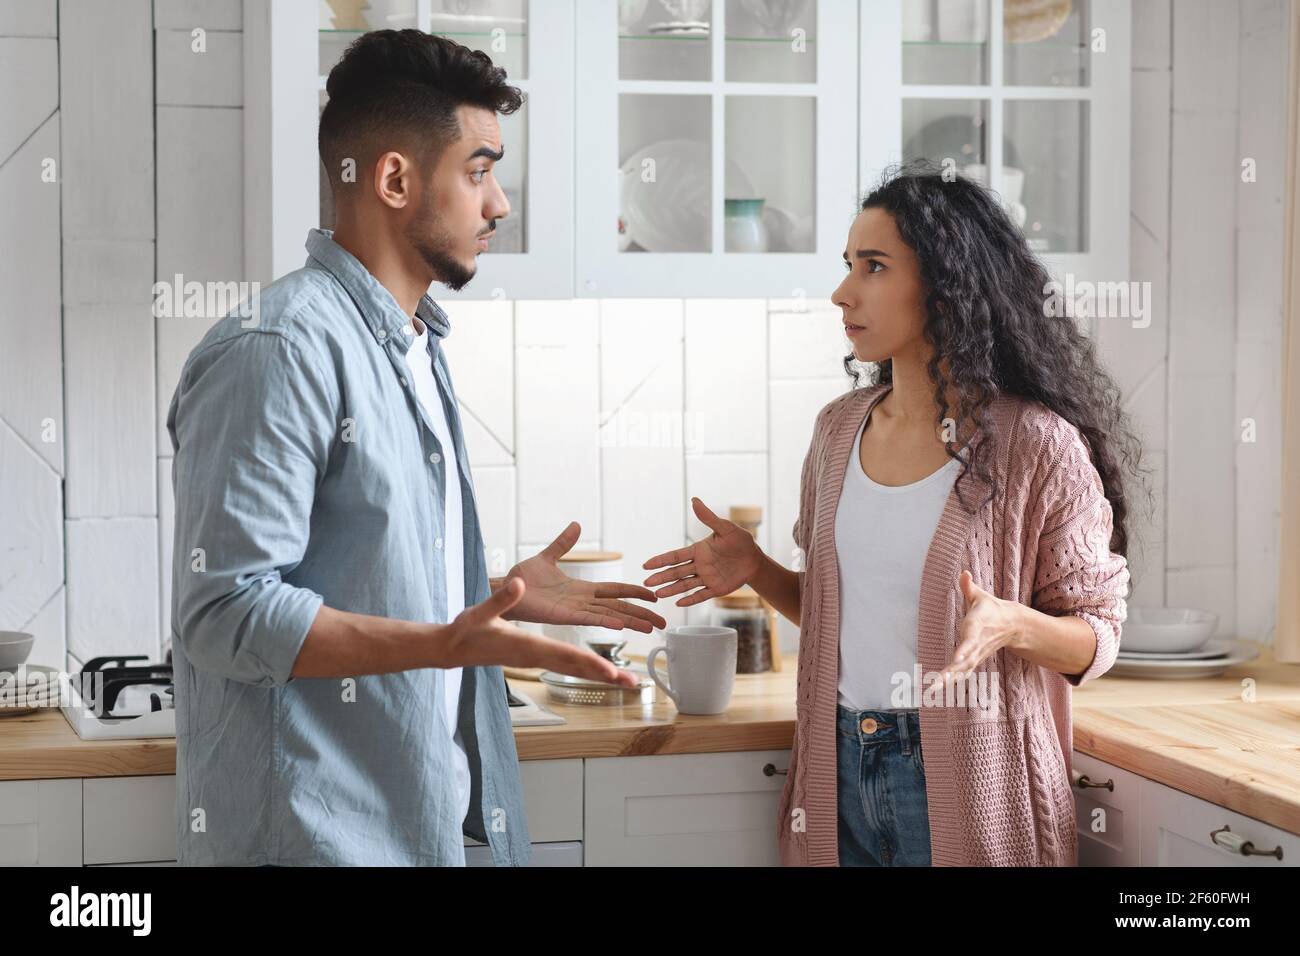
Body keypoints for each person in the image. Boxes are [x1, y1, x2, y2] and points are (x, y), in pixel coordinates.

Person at [167, 29, 665, 867]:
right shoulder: (278, 348)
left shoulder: (411, 341)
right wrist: (445, 640)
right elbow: (223, 613)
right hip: (312, 844)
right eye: (479, 170)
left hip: (409, 828)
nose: (499, 203)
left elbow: (359, 569)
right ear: (394, 178)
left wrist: (482, 588)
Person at [643, 161, 1142, 866]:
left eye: (873, 267)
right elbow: (836, 611)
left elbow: (1099, 639)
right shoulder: (838, 430)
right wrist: (755, 568)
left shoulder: (1033, 444)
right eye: (849, 265)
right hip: (839, 761)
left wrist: (1010, 625)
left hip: (968, 779)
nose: (843, 292)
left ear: (945, 285)